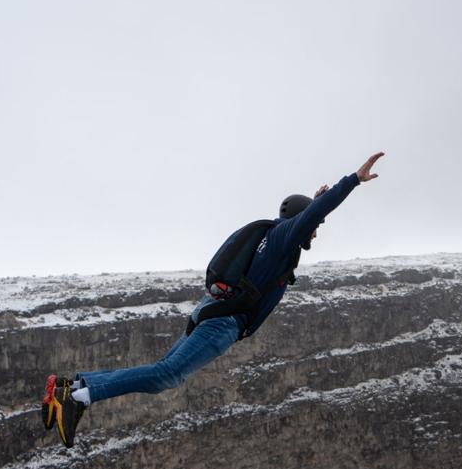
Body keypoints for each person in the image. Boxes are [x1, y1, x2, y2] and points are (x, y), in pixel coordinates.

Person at [40, 152, 384, 448]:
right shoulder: (283, 240)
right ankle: (77, 397)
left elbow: (308, 216)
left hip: (211, 310)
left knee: (161, 369)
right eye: (314, 224)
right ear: (300, 221)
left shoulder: (274, 236)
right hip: (224, 321)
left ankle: (75, 386)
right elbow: (311, 215)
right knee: (166, 376)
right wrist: (353, 179)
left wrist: (314, 203)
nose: (316, 230)